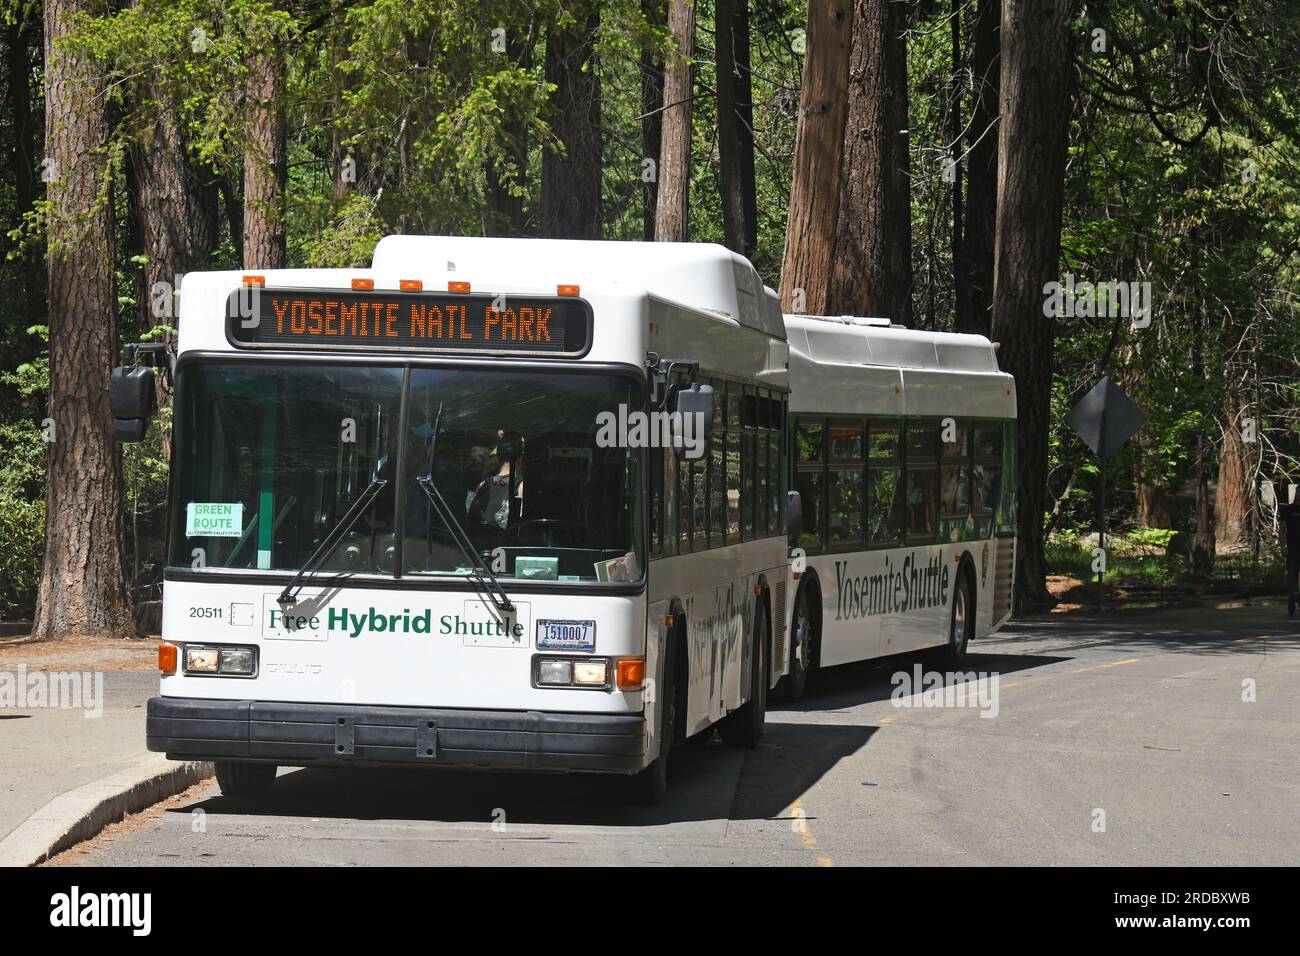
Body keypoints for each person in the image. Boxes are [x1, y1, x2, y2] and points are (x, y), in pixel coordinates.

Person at [468, 430, 525, 533]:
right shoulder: (521, 486)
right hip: (505, 545)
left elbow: (471, 518)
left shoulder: (483, 484)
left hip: (480, 544)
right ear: (521, 456)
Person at [1278, 481, 1300, 617]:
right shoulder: (1288, 510)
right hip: (1292, 549)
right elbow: (1282, 530)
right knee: (1291, 577)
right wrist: (1282, 546)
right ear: (1296, 493)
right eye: (1299, 491)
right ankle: (1291, 600)